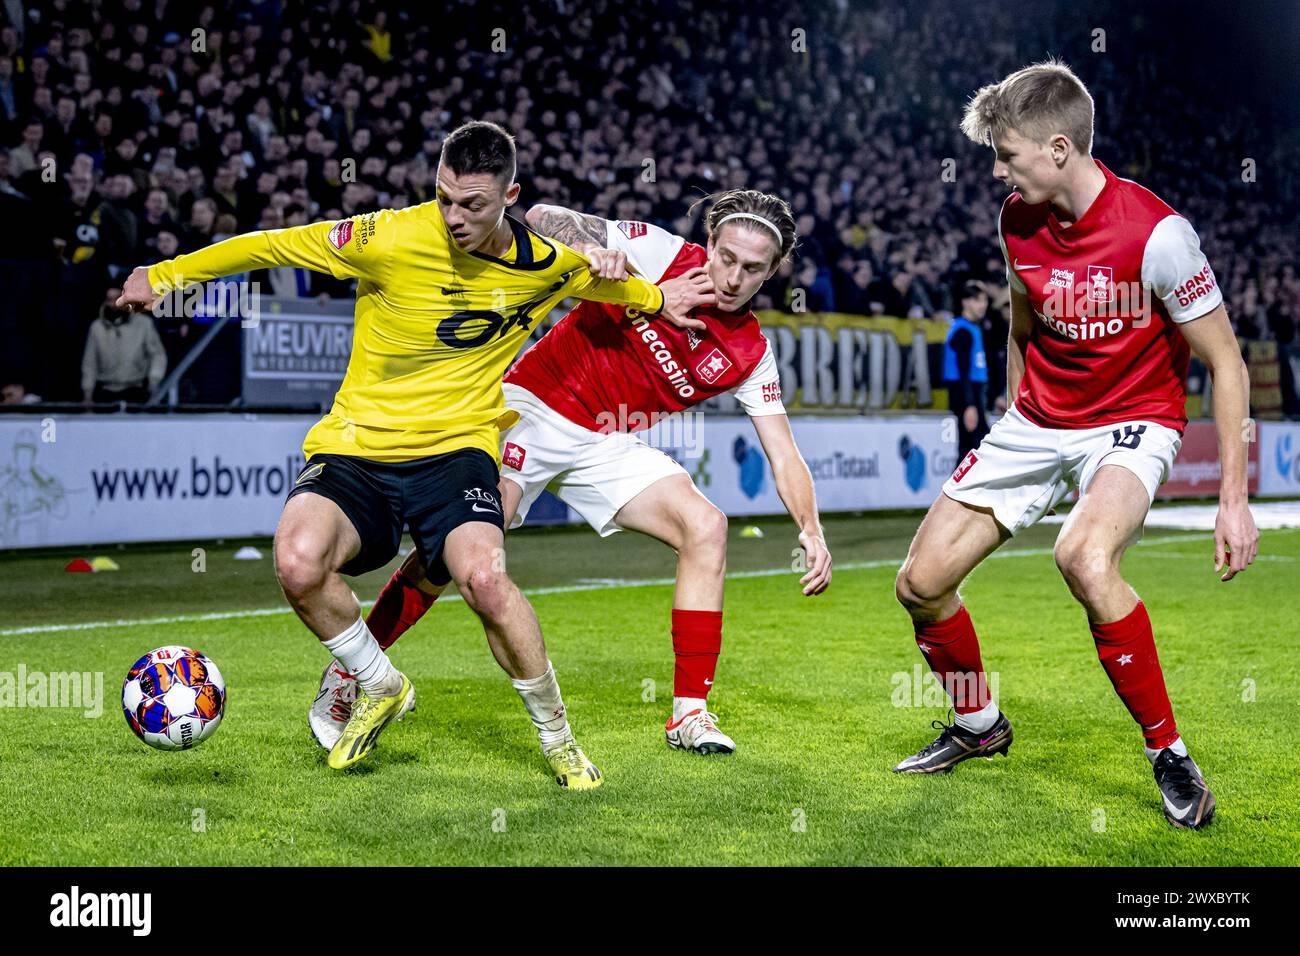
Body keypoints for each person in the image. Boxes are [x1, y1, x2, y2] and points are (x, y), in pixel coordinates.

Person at [116, 120, 713, 785]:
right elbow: (273, 244)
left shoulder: (549, 264)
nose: (454, 217)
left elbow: (609, 285)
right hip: (357, 445)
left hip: (458, 450)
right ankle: (378, 683)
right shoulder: (389, 236)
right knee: (296, 562)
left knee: (484, 580)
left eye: (473, 205)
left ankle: (559, 739)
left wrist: (658, 297)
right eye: (444, 197)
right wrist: (166, 274)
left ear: (510, 195)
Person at [311, 189, 833, 758]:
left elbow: (783, 453)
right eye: (726, 257)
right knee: (458, 553)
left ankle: (689, 714)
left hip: (606, 440)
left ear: (773, 272)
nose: (732, 276)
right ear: (710, 244)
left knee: (705, 525)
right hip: (532, 407)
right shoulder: (662, 256)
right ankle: (352, 675)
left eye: (752, 268)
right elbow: (540, 218)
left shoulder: (751, 353)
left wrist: (810, 529)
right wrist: (595, 249)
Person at [892, 61, 1258, 830]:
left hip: (1132, 421)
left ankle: (1169, 752)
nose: (996, 168)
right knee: (920, 583)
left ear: (1059, 148)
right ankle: (978, 723)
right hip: (1034, 421)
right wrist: (1011, 412)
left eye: (1007, 153)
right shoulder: (1014, 219)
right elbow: (1022, 325)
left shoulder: (1158, 236)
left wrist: (1234, 502)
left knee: (1084, 558)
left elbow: (1227, 362)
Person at [81, 289, 167, 405]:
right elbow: (89, 363)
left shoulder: (143, 324)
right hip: (105, 392)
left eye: (118, 298)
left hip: (136, 391)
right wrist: (88, 394)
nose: (115, 303)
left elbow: (158, 354)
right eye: (110, 300)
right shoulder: (97, 328)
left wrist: (154, 380)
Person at [943, 280, 991, 458]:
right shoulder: (962, 332)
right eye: (978, 300)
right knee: (973, 448)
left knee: (971, 449)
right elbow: (963, 371)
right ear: (966, 302)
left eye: (984, 300)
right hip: (965, 393)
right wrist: (970, 406)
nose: (983, 305)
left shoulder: (971, 329)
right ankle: (954, 486)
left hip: (972, 392)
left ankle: (955, 486)